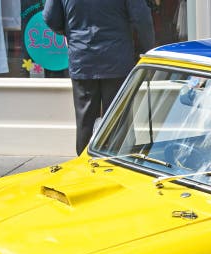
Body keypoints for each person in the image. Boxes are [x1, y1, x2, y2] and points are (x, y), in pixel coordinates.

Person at [43, 0, 155, 155]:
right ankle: (118, 165)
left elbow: (50, 17)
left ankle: (85, 165)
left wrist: (70, 31)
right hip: (116, 59)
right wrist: (147, 49)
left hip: (82, 57)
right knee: (119, 121)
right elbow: (141, 17)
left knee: (85, 122)